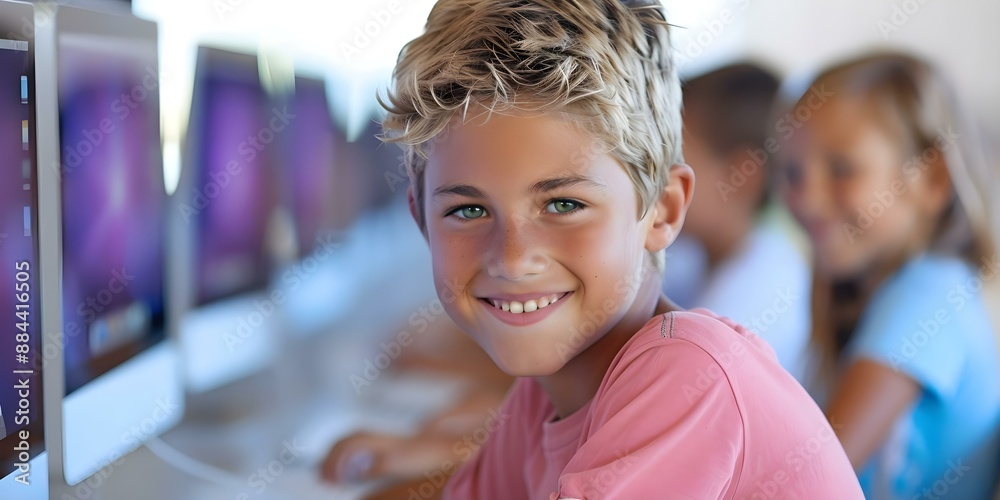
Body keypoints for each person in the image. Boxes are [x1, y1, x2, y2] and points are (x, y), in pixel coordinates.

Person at [361, 0, 865, 498]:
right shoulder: (541, 397)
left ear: (662, 210)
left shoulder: (690, 372)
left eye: (563, 204)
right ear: (422, 222)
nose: (513, 260)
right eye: (469, 211)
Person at [778, 52, 1000, 499]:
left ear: (933, 180)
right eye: (793, 173)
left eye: (842, 170)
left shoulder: (928, 293)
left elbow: (807, 481)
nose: (808, 200)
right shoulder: (892, 293)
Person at [663, 63, 812, 381]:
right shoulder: (689, 258)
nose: (654, 174)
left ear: (740, 176)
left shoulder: (766, 279)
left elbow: (682, 377)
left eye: (673, 157)